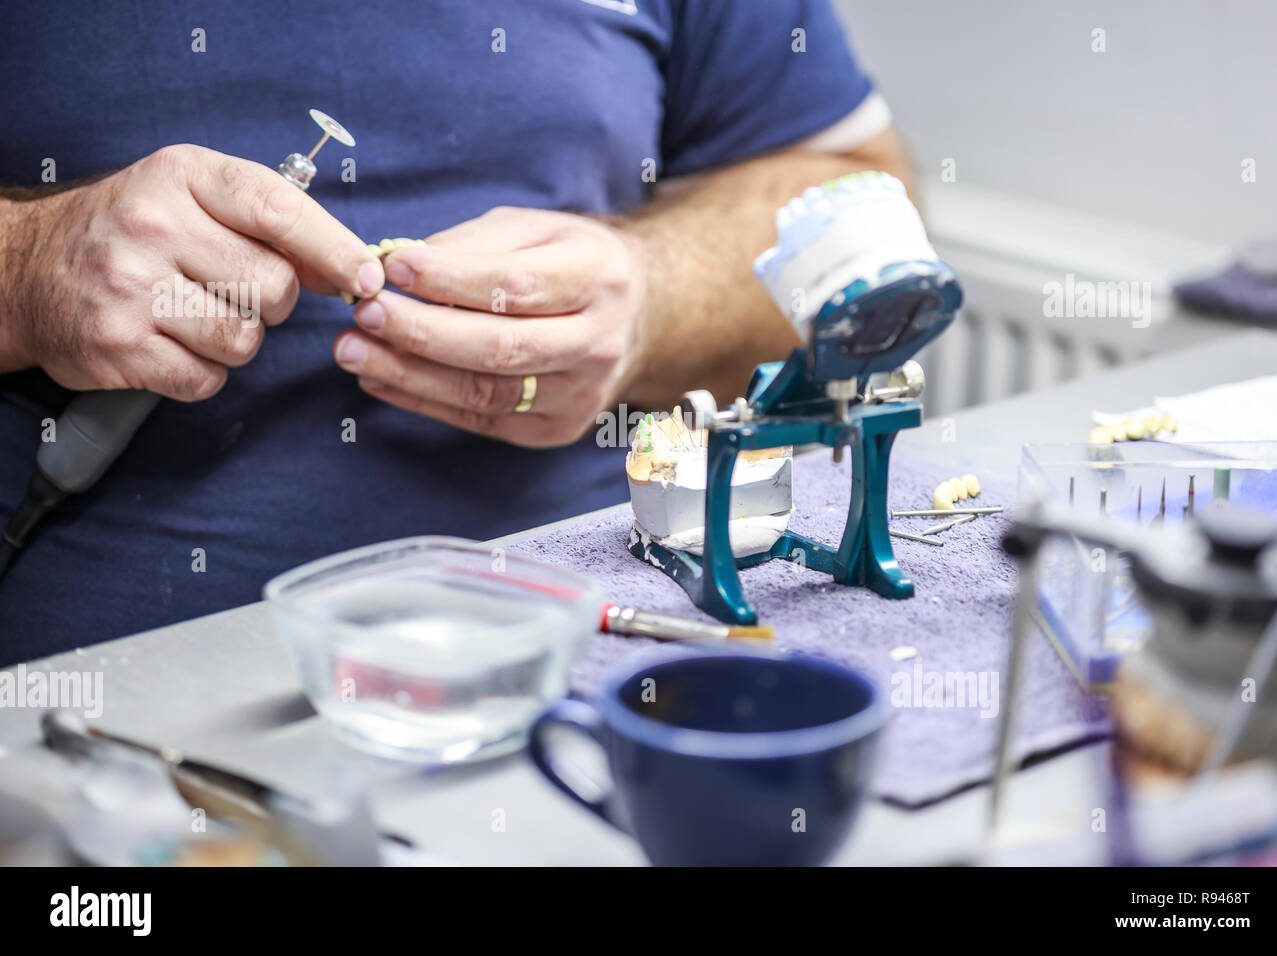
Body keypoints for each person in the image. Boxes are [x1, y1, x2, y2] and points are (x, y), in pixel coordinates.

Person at [0, 0, 912, 662]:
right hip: (124, 700)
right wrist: (26, 267)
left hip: (591, 645)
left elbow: (863, 195)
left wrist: (653, 295)